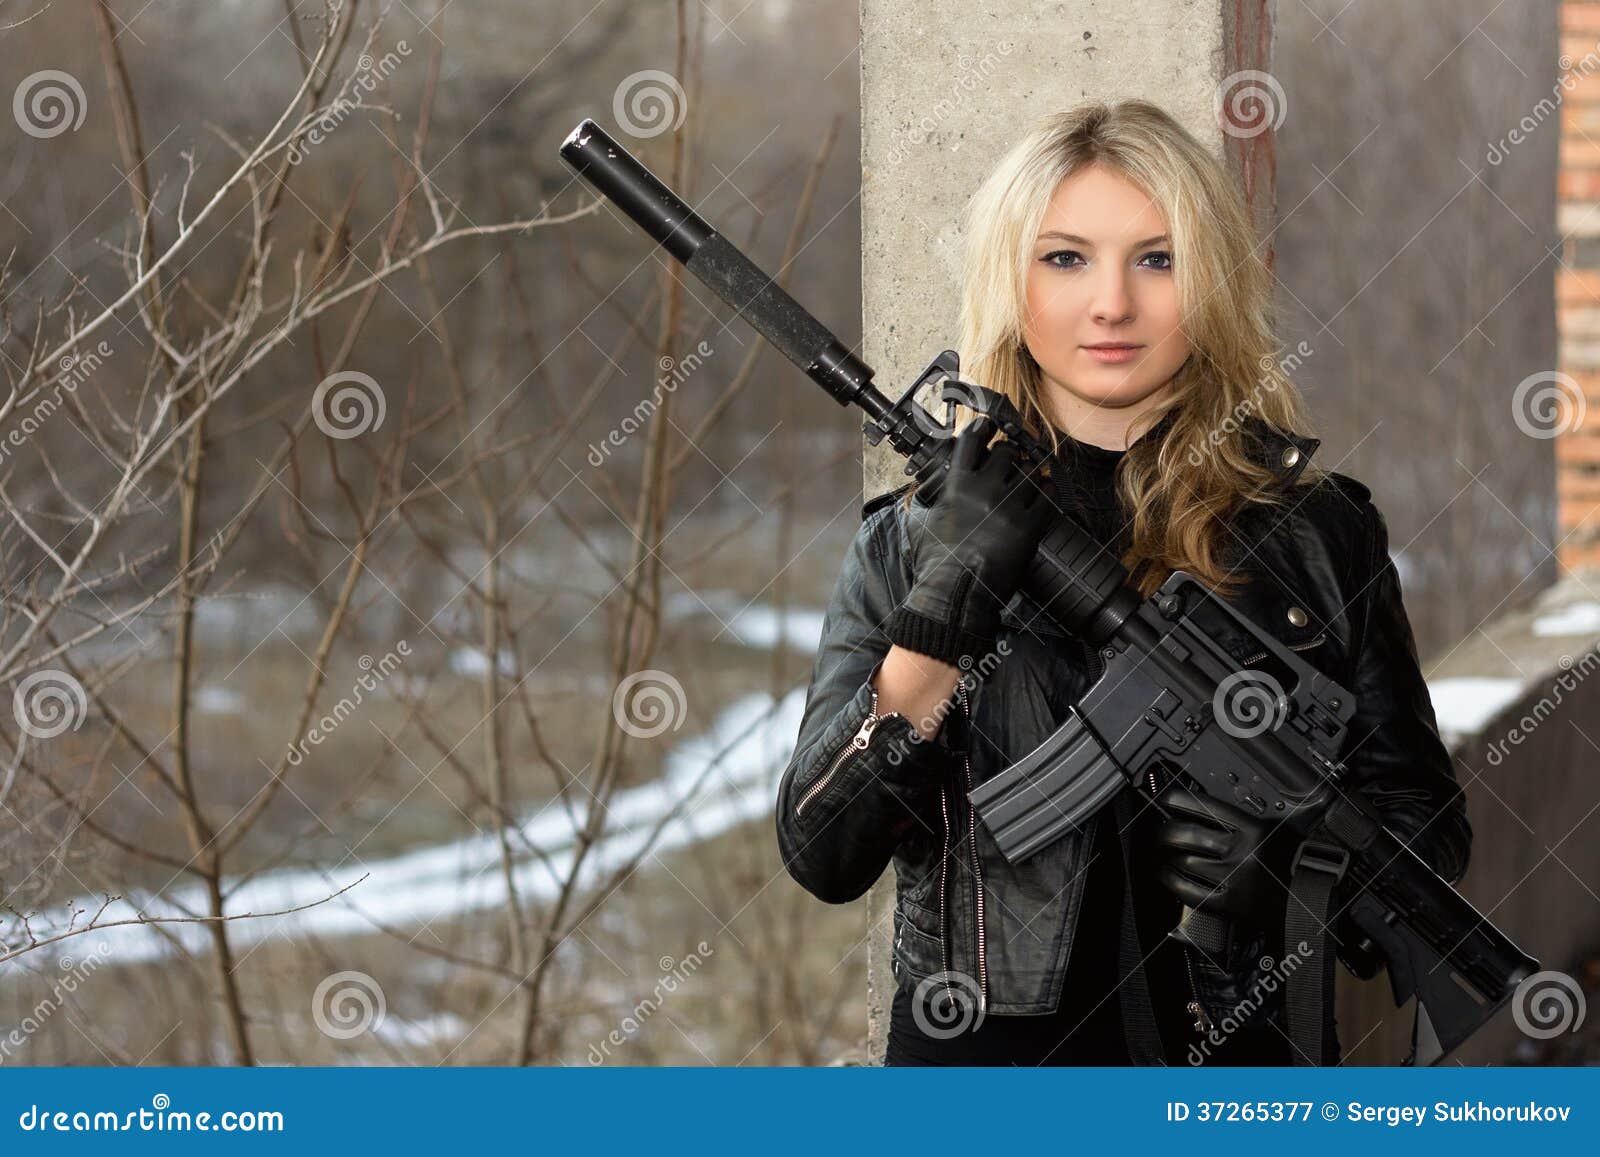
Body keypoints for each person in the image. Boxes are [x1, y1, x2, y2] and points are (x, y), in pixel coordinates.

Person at [774, 99, 1472, 1067]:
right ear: (1010, 282)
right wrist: (936, 617)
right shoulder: (905, 545)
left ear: (1213, 279)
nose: (1111, 303)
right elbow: (824, 853)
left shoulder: (1313, 531)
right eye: (1064, 258)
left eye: (1157, 257)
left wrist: (1288, 873)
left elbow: (1424, 834)